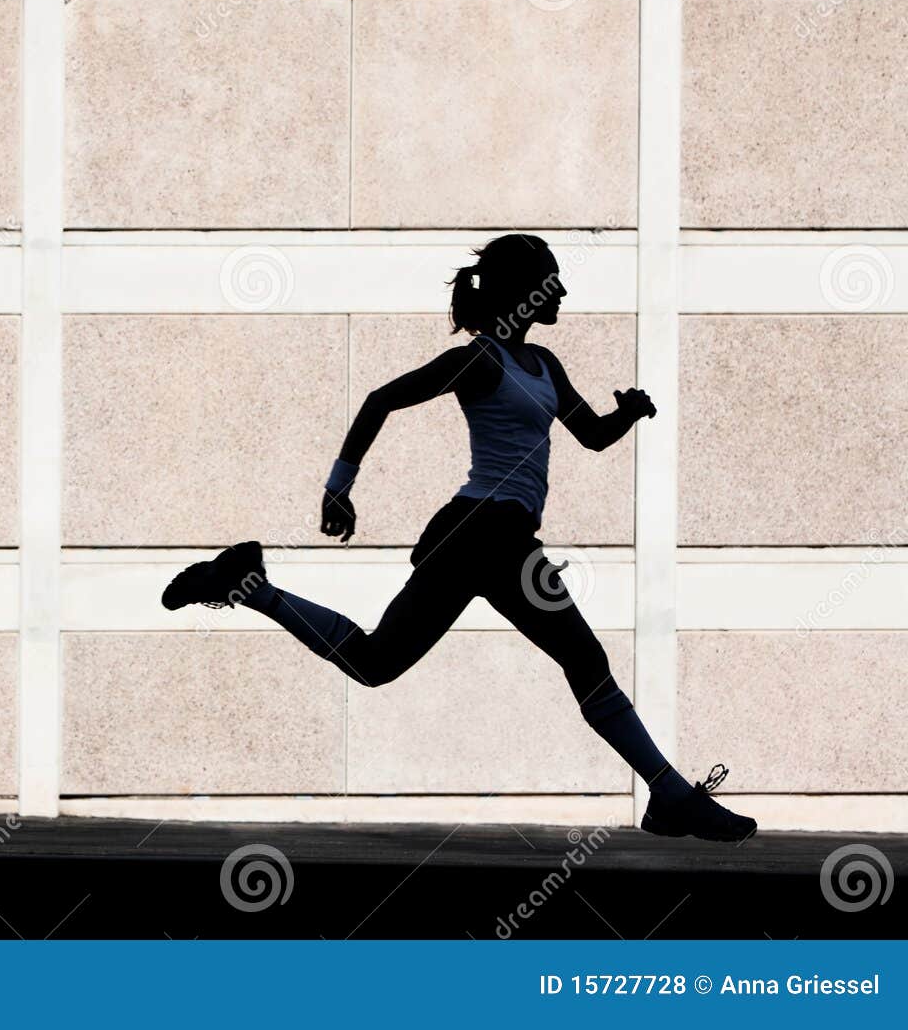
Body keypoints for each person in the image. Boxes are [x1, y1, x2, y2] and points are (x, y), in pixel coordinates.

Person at [161, 234, 755, 842]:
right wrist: (339, 487)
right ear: (523, 292)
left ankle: (250, 587)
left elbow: (592, 435)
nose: (562, 291)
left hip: (491, 539)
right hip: (486, 533)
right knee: (582, 660)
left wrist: (626, 414)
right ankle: (669, 796)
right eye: (551, 280)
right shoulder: (480, 360)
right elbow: (381, 400)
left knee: (376, 662)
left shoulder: (545, 364)